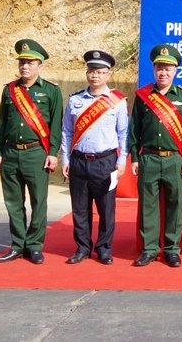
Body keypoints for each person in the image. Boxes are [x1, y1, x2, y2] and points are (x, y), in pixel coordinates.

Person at [0, 39, 63, 264]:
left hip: (36, 154)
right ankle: (17, 245)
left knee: (38, 201)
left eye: (30, 62)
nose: (25, 66)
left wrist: (52, 152)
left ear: (40, 66)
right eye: (22, 62)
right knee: (13, 202)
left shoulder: (51, 91)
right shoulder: (9, 90)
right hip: (10, 153)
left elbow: (56, 126)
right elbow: (1, 123)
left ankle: (34, 246)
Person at [128, 44, 182, 267]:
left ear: (175, 70)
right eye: (159, 67)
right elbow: (134, 131)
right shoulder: (143, 97)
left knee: (174, 205)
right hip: (148, 158)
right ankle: (149, 249)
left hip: (174, 160)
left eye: (168, 68)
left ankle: (171, 249)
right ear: (154, 69)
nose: (163, 72)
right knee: (147, 206)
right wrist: (134, 157)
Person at [60, 50, 129, 265]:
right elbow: (66, 132)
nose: (95, 76)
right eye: (91, 71)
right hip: (79, 160)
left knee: (106, 209)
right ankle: (82, 247)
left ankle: (104, 248)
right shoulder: (75, 100)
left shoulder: (116, 102)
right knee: (80, 208)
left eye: (100, 72)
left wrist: (122, 160)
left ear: (108, 74)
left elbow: (124, 133)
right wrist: (65, 159)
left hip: (106, 161)